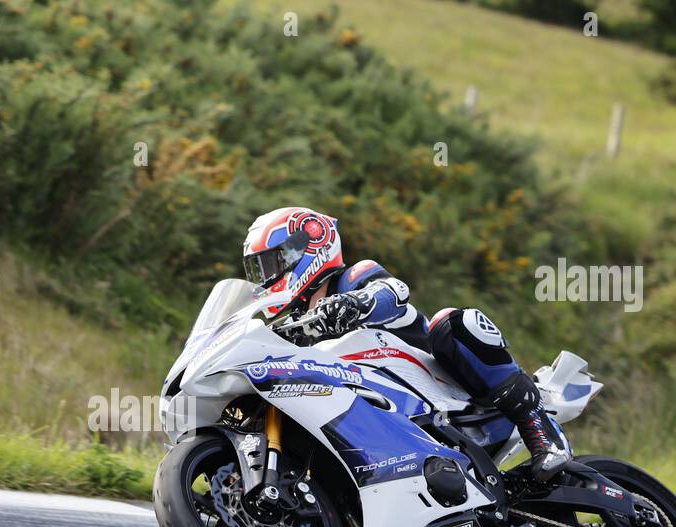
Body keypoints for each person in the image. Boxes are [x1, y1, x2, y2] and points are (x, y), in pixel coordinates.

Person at [241, 206, 570, 480]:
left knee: (453, 323)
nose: (266, 278)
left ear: (307, 247)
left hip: (447, 394)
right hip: (382, 423)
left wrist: (355, 304)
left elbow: (394, 292)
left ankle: (542, 434)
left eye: (271, 264)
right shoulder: (291, 328)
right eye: (259, 270)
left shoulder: (354, 278)